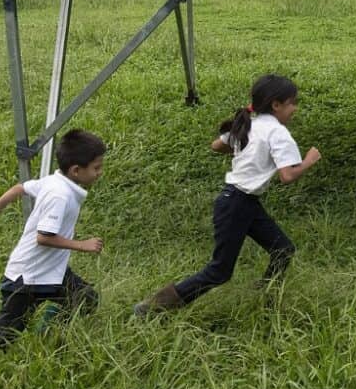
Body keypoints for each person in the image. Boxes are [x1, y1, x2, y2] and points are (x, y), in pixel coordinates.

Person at [134, 74, 321, 318]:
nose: (295, 109)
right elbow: (287, 176)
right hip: (237, 205)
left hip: (241, 202)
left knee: (283, 249)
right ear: (276, 105)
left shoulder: (249, 124)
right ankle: (152, 308)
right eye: (292, 103)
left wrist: (244, 152)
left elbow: (216, 146)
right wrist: (309, 161)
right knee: (219, 271)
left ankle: (266, 294)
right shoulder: (277, 132)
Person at [0, 129, 106, 348]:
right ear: (75, 170)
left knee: (85, 299)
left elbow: (21, 187)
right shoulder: (59, 195)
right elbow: (43, 238)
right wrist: (82, 245)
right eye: (96, 167)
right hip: (27, 277)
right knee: (4, 335)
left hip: (52, 272)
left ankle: (48, 333)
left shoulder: (56, 182)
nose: (100, 172)